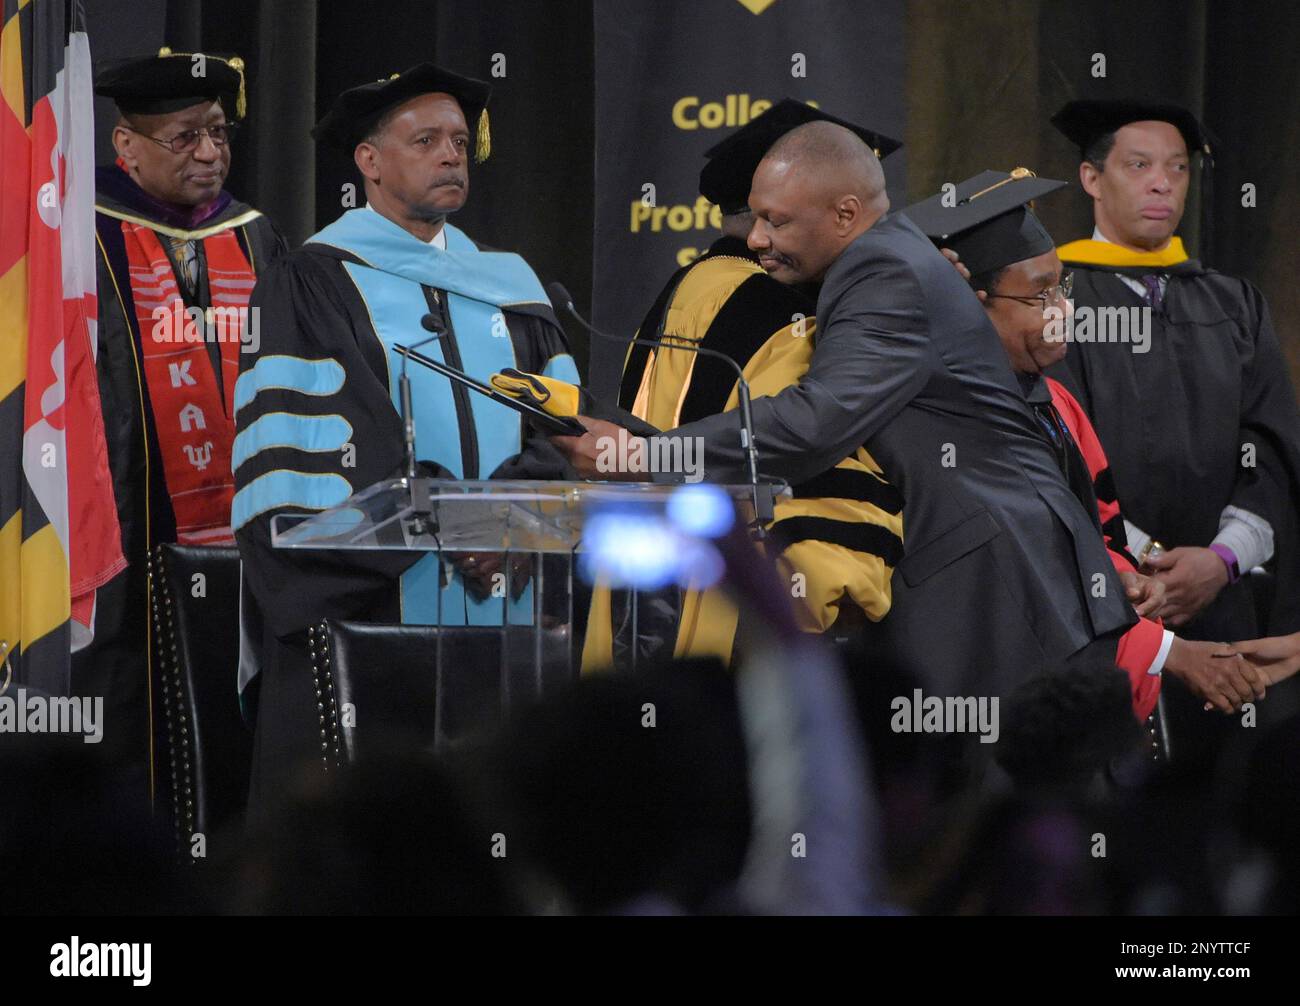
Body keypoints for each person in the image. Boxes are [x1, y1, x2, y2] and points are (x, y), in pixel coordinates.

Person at [552, 121, 1139, 733]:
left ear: (845, 213)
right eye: (755, 218)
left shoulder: (883, 270)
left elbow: (813, 422)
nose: (755, 238)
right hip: (1001, 571)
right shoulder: (895, 257)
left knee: (993, 806)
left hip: (999, 584)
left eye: (775, 221)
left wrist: (643, 458)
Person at [235, 64, 578, 812]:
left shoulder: (512, 285)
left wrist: (511, 510)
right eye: (425, 140)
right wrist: (455, 520)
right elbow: (320, 449)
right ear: (370, 162)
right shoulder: (313, 280)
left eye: (458, 140)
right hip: (373, 615)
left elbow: (562, 425)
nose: (451, 155)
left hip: (508, 607)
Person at [905, 169, 1268, 719]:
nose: (1062, 311)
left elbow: (1096, 524)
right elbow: (1028, 567)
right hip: (994, 703)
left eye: (1062, 287)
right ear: (971, 307)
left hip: (1090, 691)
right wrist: (1166, 651)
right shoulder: (950, 419)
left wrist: (1123, 572)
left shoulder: (1054, 400)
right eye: (1038, 295)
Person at [586, 99, 905, 665]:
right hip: (742, 608)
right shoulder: (779, 307)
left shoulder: (690, 288)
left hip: (647, 584)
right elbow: (807, 446)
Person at [82, 48, 285, 797]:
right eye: (185, 137)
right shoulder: (82, 234)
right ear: (125, 146)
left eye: (220, 134)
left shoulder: (255, 234)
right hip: (124, 522)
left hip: (240, 530)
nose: (209, 153)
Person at [1047, 100, 1300, 644]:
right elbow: (1052, 451)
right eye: (1139, 165)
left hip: (1229, 601)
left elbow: (1272, 445)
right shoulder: (1053, 301)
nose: (1162, 184)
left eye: (1178, 167)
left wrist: (1221, 560)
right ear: (1091, 178)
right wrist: (1150, 560)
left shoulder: (1234, 303)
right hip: (1106, 600)